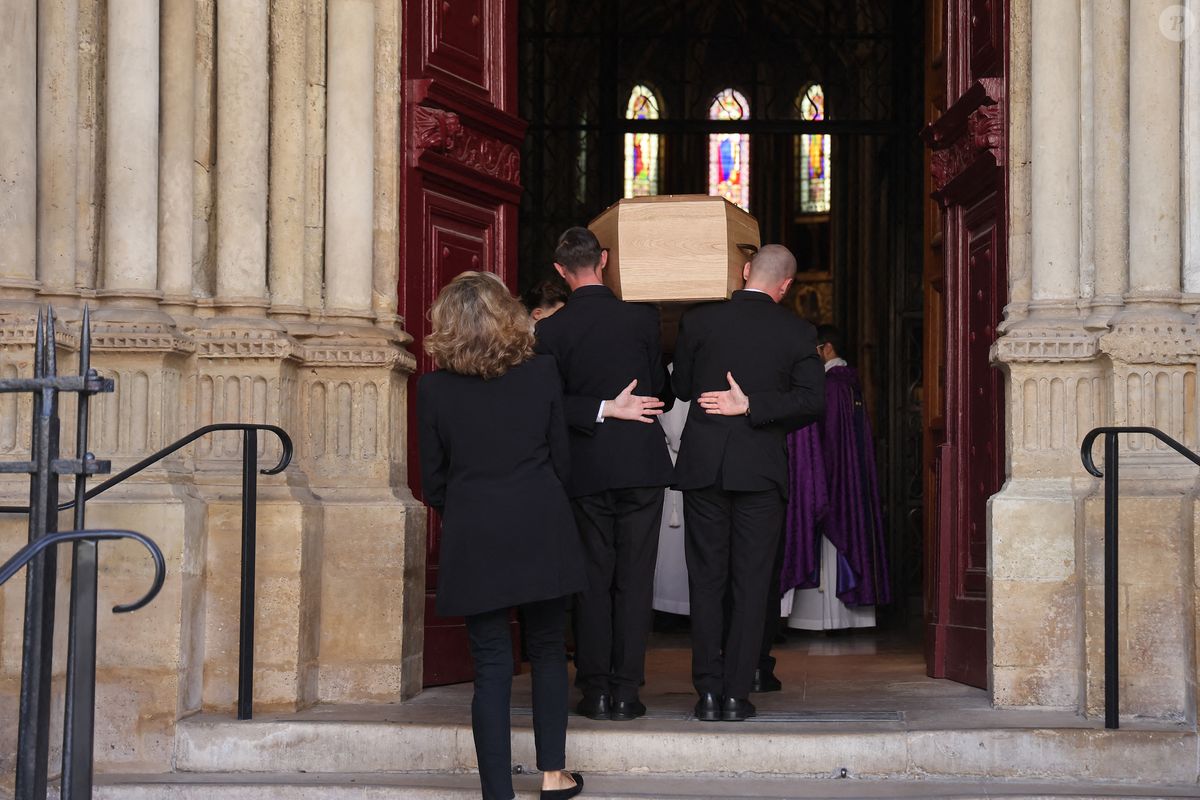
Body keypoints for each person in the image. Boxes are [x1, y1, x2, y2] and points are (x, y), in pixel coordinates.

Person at [417, 271, 586, 800]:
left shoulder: (434, 388)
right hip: (540, 521)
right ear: (508, 317)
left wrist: (469, 509)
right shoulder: (542, 373)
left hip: (475, 532)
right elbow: (562, 456)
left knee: (490, 664)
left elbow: (433, 479)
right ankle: (554, 776)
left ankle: (498, 793)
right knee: (547, 651)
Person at [671, 244, 824, 722]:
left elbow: (680, 389)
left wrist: (735, 401)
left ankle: (708, 695)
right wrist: (755, 405)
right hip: (760, 472)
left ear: (743, 272)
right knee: (753, 583)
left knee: (707, 581)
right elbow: (813, 401)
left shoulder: (699, 322)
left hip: (704, 468)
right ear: (785, 286)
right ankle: (738, 694)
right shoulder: (798, 331)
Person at [535, 227, 673, 722]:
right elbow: (661, 391)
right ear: (605, 260)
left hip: (587, 466)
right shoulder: (641, 317)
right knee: (635, 581)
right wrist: (621, 406)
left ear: (560, 270)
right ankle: (625, 692)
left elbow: (547, 405)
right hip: (640, 461)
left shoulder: (550, 332)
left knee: (592, 579)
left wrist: (598, 409)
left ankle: (593, 690)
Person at [786, 324, 891, 631]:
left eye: (814, 351)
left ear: (827, 348)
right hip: (852, 476)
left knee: (831, 536)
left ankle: (823, 621)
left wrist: (817, 479)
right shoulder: (851, 383)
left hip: (832, 476)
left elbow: (827, 439)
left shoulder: (831, 386)